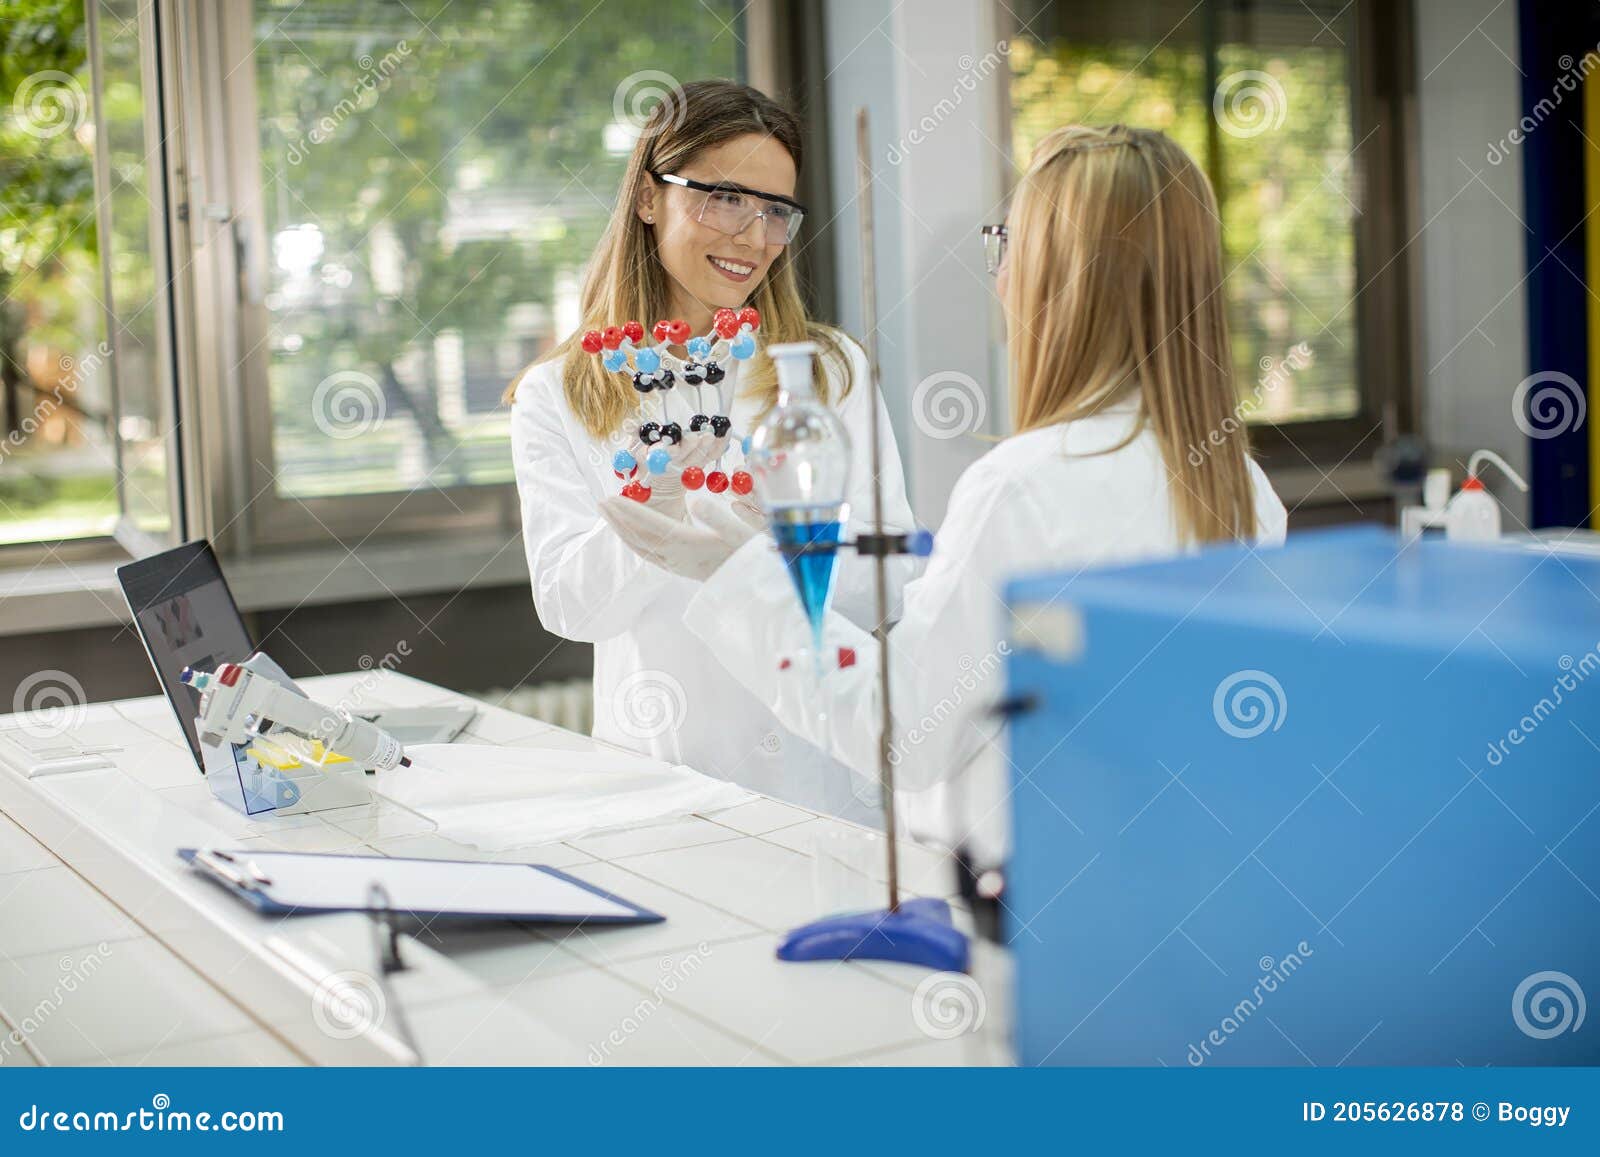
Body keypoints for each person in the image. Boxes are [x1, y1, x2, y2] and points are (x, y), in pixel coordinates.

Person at [613, 125, 1289, 853]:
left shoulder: (1023, 489)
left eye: (1007, 243)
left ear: (1059, 277)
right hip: (1163, 874)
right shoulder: (1242, 488)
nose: (996, 277)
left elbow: (904, 729)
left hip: (1025, 900)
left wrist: (740, 576)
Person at [507, 80, 913, 824]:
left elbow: (888, 586)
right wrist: (645, 517)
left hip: (823, 784)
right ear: (649, 197)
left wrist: (790, 543)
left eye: (775, 211)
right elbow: (569, 606)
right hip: (661, 782)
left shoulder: (827, 369)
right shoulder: (562, 390)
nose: (754, 237)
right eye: (725, 198)